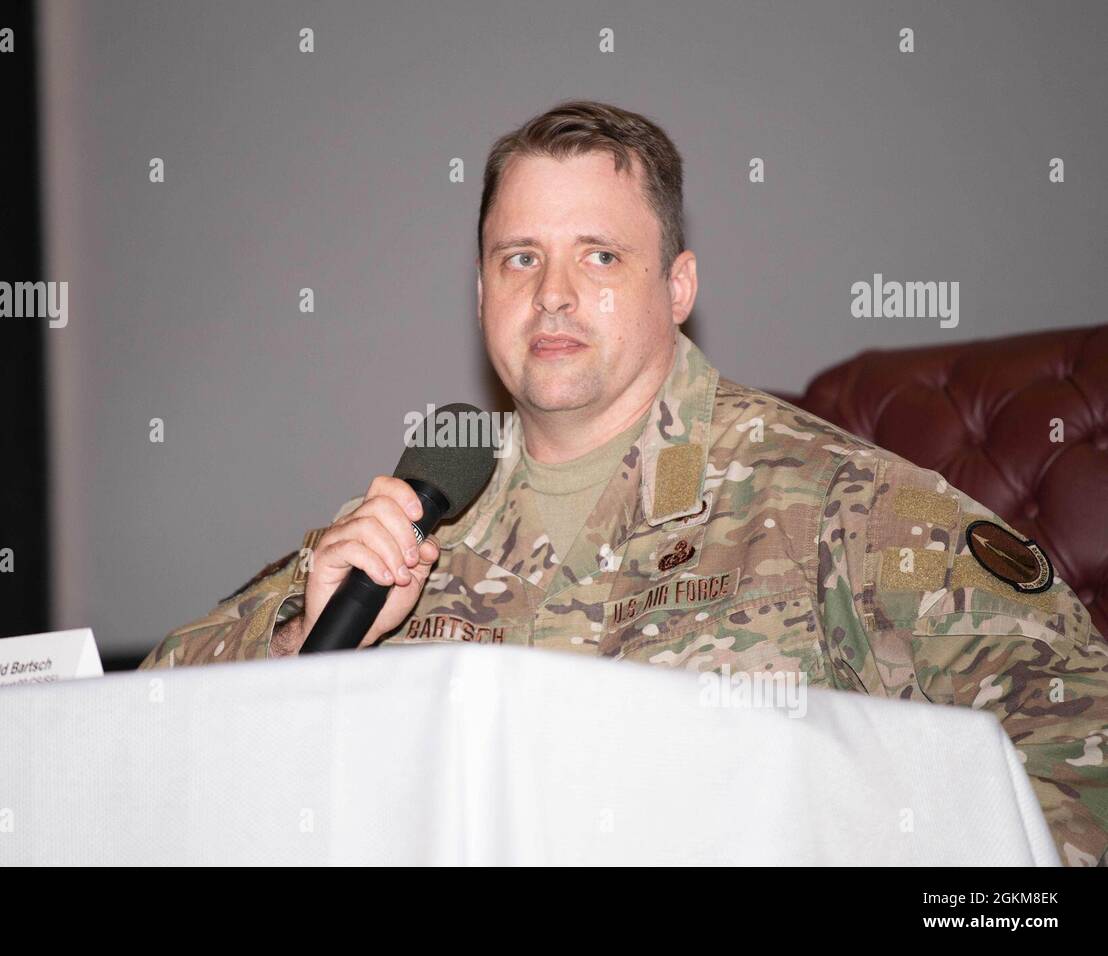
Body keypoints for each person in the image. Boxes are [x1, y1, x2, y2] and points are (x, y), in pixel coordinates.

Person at [140, 100, 1107, 866]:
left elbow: (1078, 746)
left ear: (678, 288)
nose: (552, 294)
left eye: (599, 256)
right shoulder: (422, 505)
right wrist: (306, 639)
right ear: (481, 294)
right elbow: (139, 732)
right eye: (520, 259)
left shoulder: (832, 505)